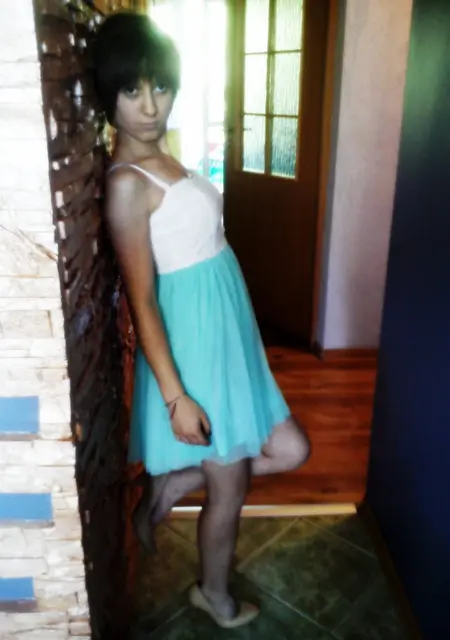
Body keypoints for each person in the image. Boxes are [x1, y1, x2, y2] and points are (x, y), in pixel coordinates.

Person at [93, 12, 310, 629]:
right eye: (131, 90)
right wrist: (176, 398)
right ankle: (213, 594)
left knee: (290, 449)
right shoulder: (127, 184)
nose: (150, 105)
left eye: (160, 86)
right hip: (194, 350)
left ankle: (169, 487)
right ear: (109, 96)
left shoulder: (163, 153)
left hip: (227, 336)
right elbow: (143, 300)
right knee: (232, 487)